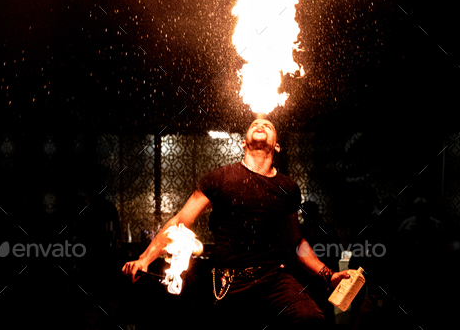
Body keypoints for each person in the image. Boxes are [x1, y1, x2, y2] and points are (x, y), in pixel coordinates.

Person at [122, 117, 350, 326]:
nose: (261, 125)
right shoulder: (220, 178)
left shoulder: (287, 187)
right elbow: (180, 222)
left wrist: (328, 275)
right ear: (243, 143)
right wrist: (144, 259)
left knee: (311, 320)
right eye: (254, 124)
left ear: (277, 146)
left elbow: (296, 243)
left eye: (268, 126)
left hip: (274, 278)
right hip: (228, 283)